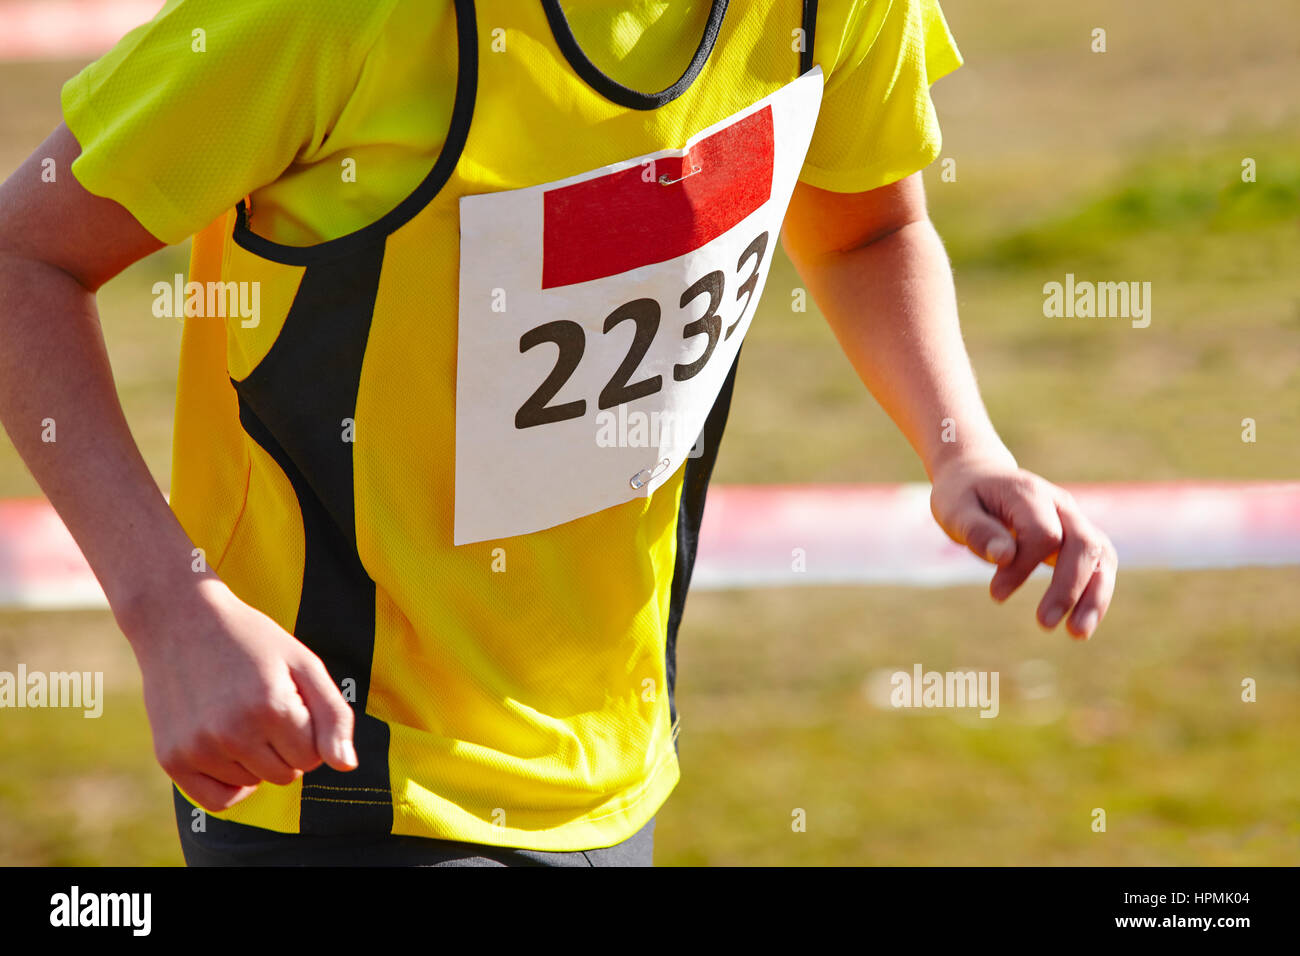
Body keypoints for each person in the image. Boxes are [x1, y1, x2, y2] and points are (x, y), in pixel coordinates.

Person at [0, 0, 1116, 866]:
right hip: (340, 765)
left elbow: (870, 223)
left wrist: (962, 444)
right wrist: (173, 609)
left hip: (613, 767)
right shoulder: (341, 18)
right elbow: (22, 259)